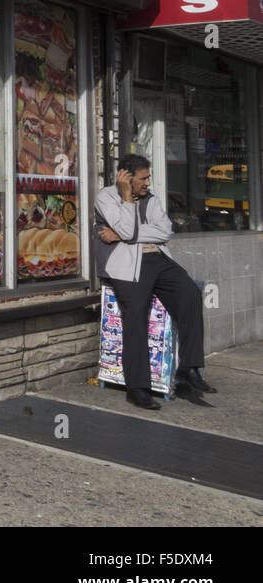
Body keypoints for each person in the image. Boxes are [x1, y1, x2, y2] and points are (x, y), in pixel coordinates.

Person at [95, 153, 217, 410]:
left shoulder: (151, 199)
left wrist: (120, 234)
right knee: (136, 315)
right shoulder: (106, 197)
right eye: (143, 178)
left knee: (190, 295)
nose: (148, 182)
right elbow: (129, 229)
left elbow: (165, 231)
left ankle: (189, 368)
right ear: (126, 177)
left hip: (158, 260)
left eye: (148, 177)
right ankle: (137, 388)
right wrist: (127, 201)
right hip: (125, 266)